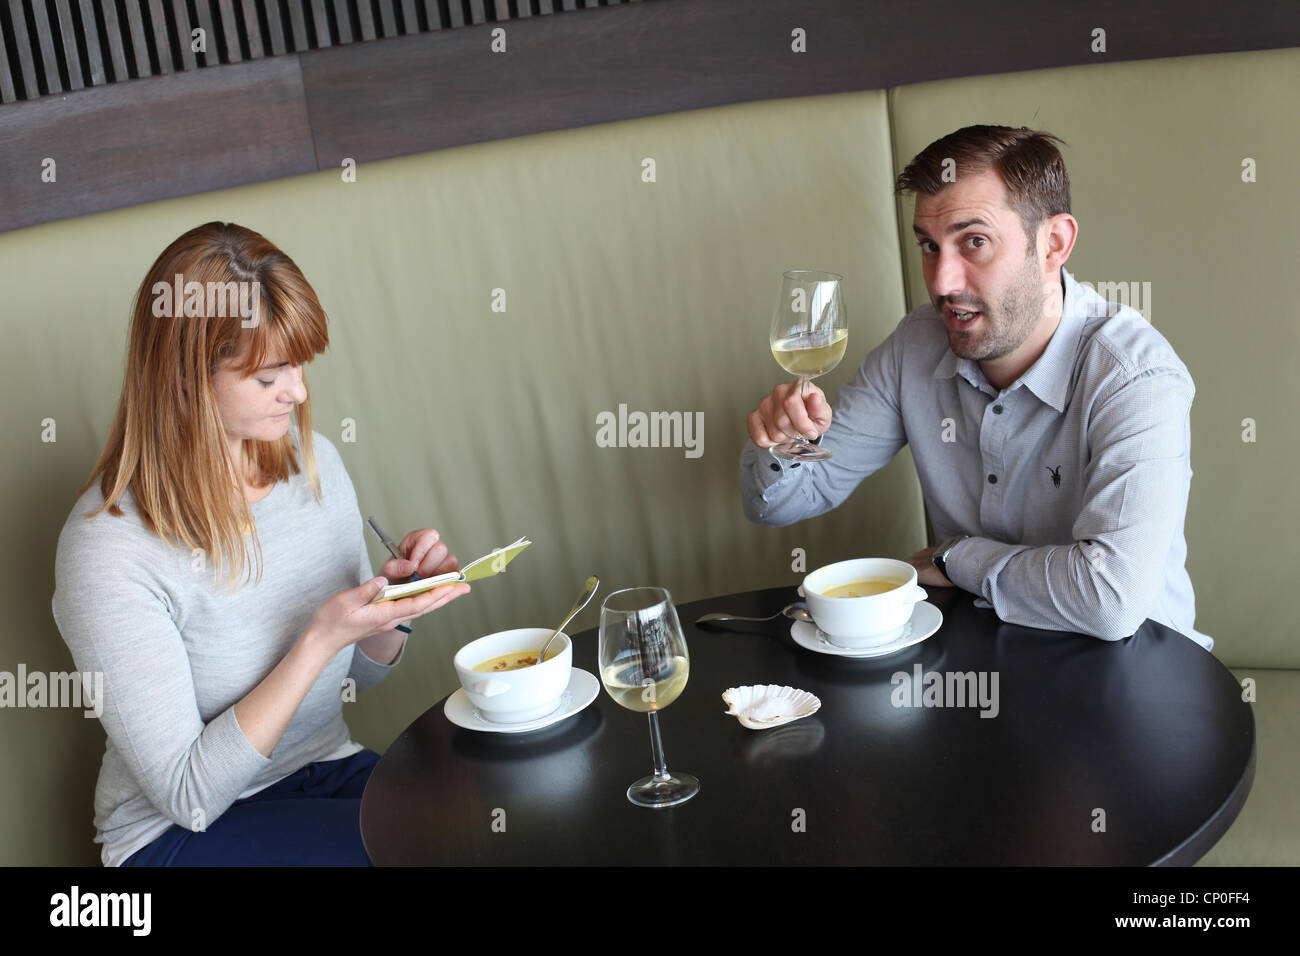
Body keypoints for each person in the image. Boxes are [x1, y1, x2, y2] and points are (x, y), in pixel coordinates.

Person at [51, 222, 471, 866]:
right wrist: (318, 638)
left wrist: (394, 607)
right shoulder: (106, 550)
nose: (299, 392)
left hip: (322, 774)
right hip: (175, 835)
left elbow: (358, 675)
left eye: (299, 364)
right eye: (269, 376)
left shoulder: (314, 465)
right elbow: (187, 797)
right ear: (187, 378)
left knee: (485, 827)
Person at [740, 125, 1212, 651]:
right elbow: (777, 506)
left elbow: (1110, 599)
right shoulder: (915, 346)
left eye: (975, 242)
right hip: (985, 668)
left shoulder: (1134, 375)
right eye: (928, 245)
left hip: (1137, 673)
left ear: (1053, 243)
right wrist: (782, 443)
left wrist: (955, 558)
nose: (941, 282)